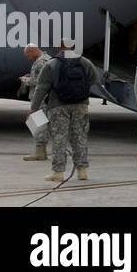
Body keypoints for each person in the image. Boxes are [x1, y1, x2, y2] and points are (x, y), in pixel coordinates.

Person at [28, 38, 98, 182]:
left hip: (58, 106)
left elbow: (41, 88)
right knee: (80, 137)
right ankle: (82, 171)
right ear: (73, 46)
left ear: (60, 47)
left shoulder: (52, 64)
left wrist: (34, 108)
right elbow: (94, 79)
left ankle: (58, 172)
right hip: (81, 105)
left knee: (59, 139)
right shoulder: (85, 62)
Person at [17, 44, 52, 161]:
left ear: (32, 50)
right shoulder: (45, 59)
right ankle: (41, 151)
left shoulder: (41, 61)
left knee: (39, 125)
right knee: (38, 124)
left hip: (40, 99)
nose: (28, 58)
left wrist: (25, 79)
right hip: (43, 98)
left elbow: (40, 81)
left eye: (28, 55)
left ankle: (39, 152)